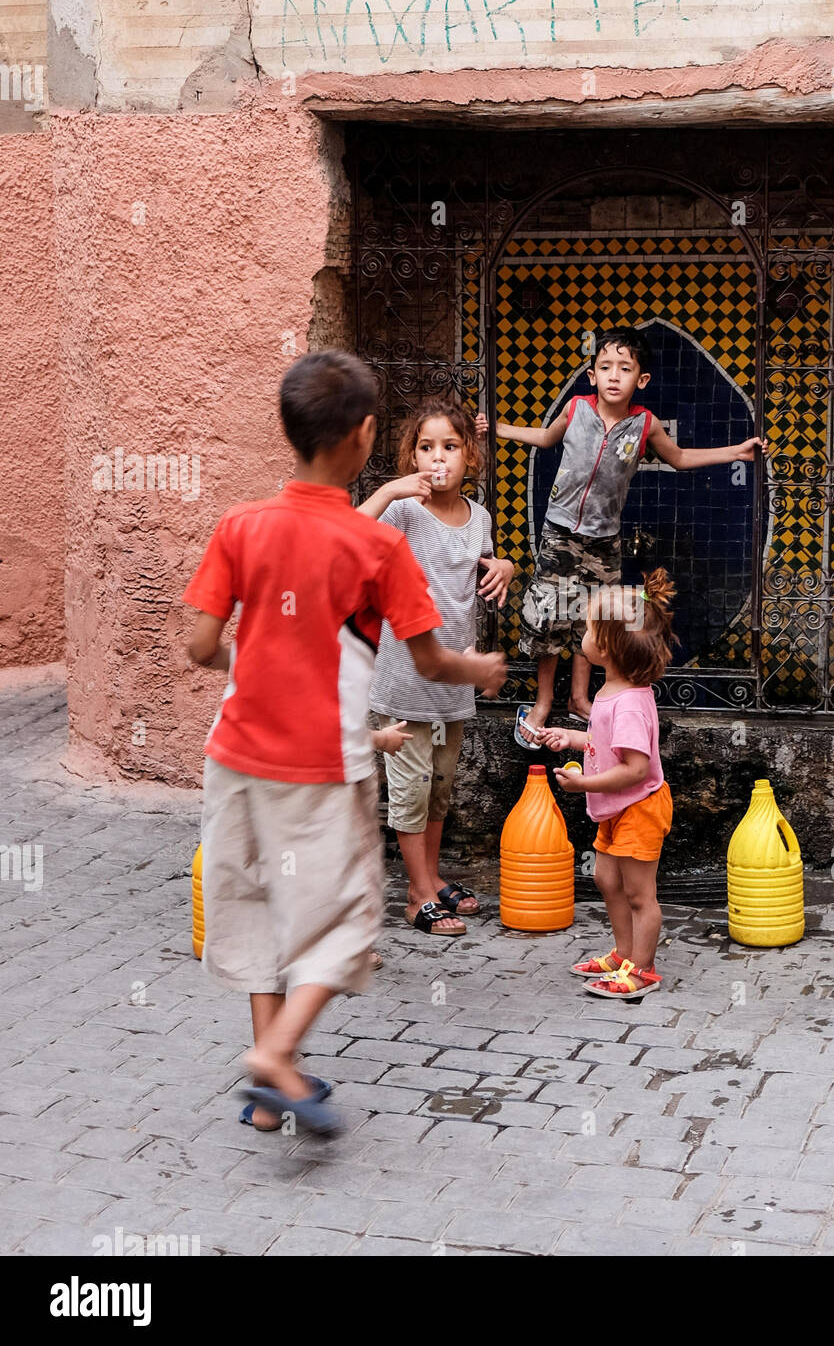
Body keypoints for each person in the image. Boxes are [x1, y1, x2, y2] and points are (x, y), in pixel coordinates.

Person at [184, 350, 506, 1136]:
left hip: (232, 757)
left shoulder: (240, 525)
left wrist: (258, 663)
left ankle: (270, 1093)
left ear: (289, 432)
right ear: (366, 439)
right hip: (321, 763)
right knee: (346, 919)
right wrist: (482, 667)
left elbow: (199, 646)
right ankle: (276, 1057)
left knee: (261, 914)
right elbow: (430, 659)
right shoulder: (377, 547)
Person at [495, 326, 765, 747]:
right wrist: (498, 428)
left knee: (594, 618)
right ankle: (544, 702)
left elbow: (679, 458)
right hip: (560, 532)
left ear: (641, 380)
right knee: (550, 614)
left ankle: (580, 698)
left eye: (624, 368)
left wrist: (735, 452)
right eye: (605, 367)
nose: (614, 375)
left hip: (605, 540)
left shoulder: (645, 424)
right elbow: (545, 439)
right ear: (592, 375)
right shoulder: (576, 408)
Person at [359, 401, 515, 938]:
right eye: (426, 447)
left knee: (439, 787)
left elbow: (482, 566)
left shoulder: (480, 518)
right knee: (410, 788)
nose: (437, 458)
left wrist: (506, 566)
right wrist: (390, 491)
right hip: (404, 678)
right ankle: (417, 894)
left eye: (449, 446)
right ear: (412, 457)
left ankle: (432, 878)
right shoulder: (402, 513)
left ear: (469, 455)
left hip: (454, 678)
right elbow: (344, 536)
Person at [537, 569, 677, 998]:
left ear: (607, 646)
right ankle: (623, 952)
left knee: (639, 894)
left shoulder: (631, 704)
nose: (584, 632)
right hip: (617, 805)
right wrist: (573, 739)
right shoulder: (612, 691)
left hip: (638, 806)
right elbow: (606, 744)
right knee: (606, 880)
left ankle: (642, 970)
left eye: (590, 627)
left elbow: (636, 768)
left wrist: (585, 785)